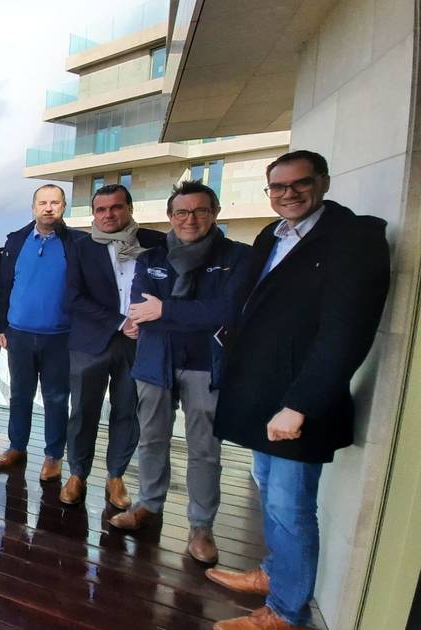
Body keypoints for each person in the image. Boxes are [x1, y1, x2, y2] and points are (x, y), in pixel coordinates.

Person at [206, 151, 389, 630]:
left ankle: (286, 613)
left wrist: (299, 404)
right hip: (262, 392)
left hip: (297, 401)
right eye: (277, 187)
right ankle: (274, 574)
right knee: (270, 493)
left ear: (323, 181)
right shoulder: (273, 234)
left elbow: (346, 332)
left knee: (290, 506)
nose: (288, 194)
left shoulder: (354, 240)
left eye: (299, 184)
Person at [106, 180, 250, 568]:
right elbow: (139, 306)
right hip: (155, 361)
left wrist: (165, 312)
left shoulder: (236, 257)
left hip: (207, 365)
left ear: (215, 213)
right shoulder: (152, 257)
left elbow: (227, 312)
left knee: (205, 448)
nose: (190, 219)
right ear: (170, 217)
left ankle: (201, 526)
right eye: (181, 212)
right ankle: (148, 504)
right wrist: (179, 314)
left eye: (200, 211)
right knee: (151, 439)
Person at [60, 183, 165, 509]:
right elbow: (73, 297)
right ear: (94, 213)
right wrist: (120, 322)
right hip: (91, 341)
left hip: (141, 342)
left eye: (116, 207)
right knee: (82, 412)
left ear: (129, 208)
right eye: (101, 209)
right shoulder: (81, 246)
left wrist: (146, 321)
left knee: (127, 411)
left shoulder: (155, 243)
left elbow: (168, 288)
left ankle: (115, 476)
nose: (108, 215)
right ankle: (77, 473)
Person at [0, 184, 85, 478]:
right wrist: (1, 326)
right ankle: (17, 446)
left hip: (61, 337)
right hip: (18, 335)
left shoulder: (78, 244)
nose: (48, 208)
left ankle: (53, 455)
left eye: (54, 203)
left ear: (63, 206)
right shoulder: (16, 241)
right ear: (33, 208)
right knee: (20, 394)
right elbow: (3, 287)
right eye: (42, 203)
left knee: (56, 398)